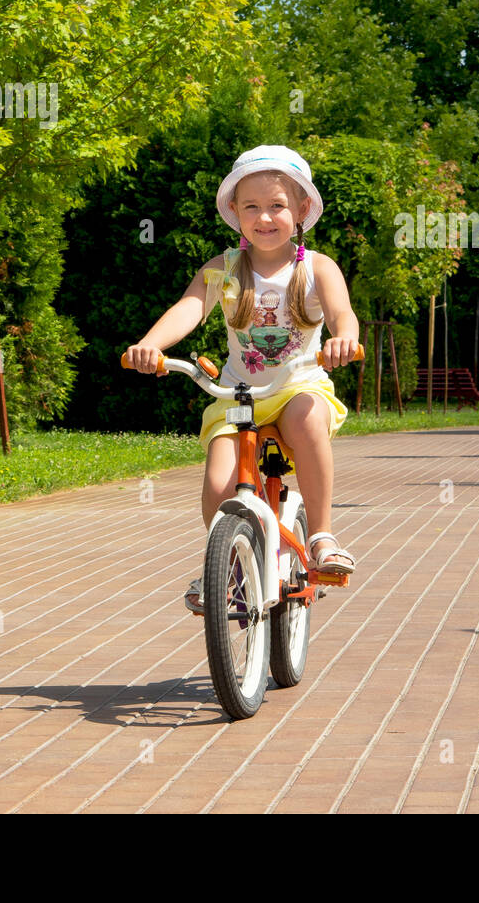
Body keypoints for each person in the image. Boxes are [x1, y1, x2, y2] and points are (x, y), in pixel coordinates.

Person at [123, 145, 360, 614]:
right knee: (218, 482)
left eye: (277, 205)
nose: (264, 217)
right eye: (251, 206)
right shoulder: (224, 268)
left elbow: (342, 315)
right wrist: (150, 343)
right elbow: (190, 307)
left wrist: (344, 340)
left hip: (298, 385)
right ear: (234, 211)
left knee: (307, 419)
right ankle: (226, 565)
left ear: (302, 210)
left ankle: (321, 536)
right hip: (239, 393)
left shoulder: (316, 268)